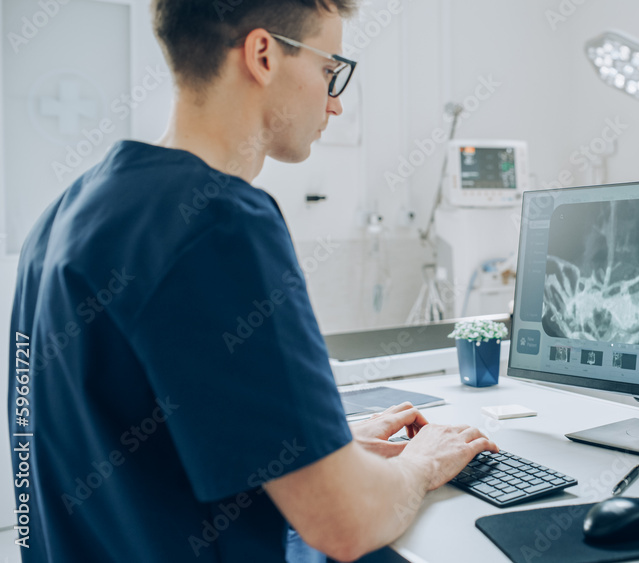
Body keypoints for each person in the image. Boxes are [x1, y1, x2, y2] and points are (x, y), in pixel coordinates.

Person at [7, 1, 497, 561]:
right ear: (263, 55)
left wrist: (322, 455)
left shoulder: (65, 215)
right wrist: (421, 463)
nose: (335, 102)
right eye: (328, 71)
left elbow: (135, 443)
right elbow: (347, 524)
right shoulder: (220, 222)